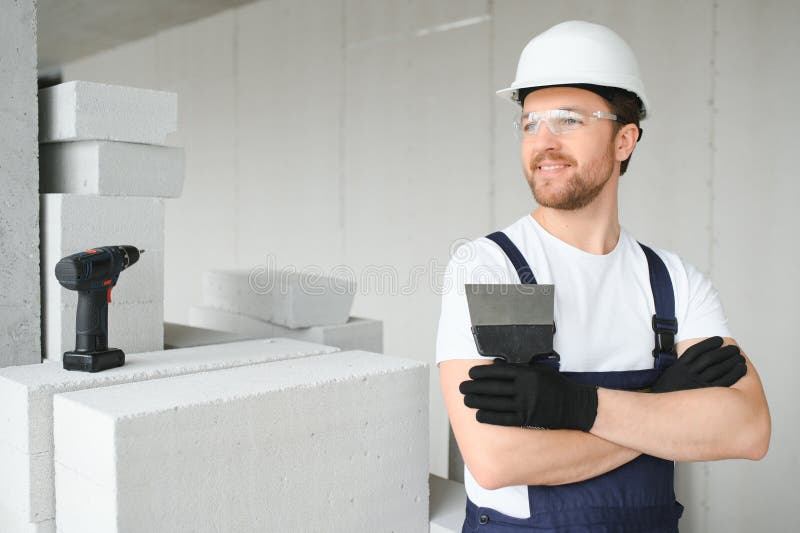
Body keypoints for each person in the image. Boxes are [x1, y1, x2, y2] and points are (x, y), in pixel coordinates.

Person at [436, 20, 771, 533]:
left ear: (625, 139)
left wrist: (573, 407)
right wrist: (662, 404)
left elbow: (746, 430)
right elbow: (500, 458)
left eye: (568, 121)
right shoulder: (500, 270)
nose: (542, 143)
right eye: (529, 123)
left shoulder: (674, 282)